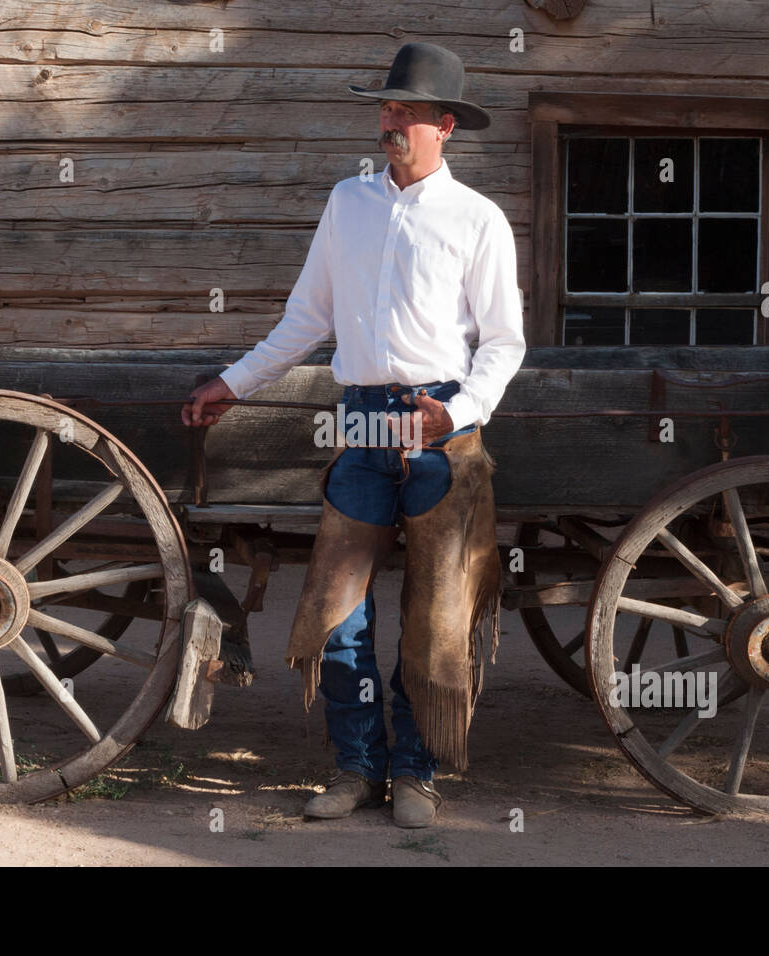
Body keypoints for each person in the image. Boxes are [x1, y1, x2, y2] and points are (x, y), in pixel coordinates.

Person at [182, 42, 524, 828]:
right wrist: (231, 384)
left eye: (405, 110)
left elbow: (505, 342)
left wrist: (459, 411)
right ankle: (356, 768)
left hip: (441, 428)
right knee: (338, 611)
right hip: (364, 419)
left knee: (437, 614)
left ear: (446, 126)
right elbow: (307, 321)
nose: (389, 120)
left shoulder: (478, 219)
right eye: (385, 107)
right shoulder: (349, 203)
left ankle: (418, 773)